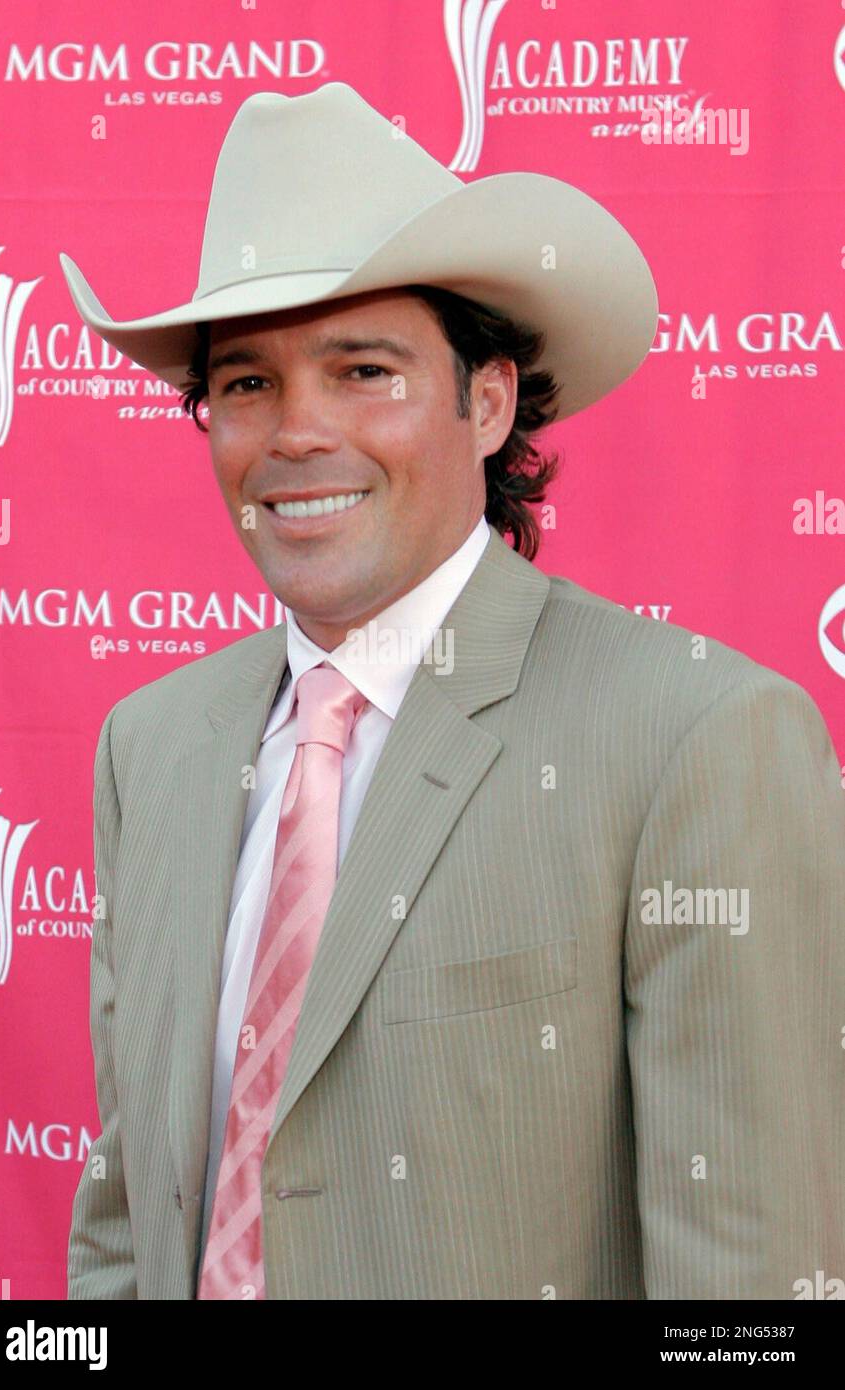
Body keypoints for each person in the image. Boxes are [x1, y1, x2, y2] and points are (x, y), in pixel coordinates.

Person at [61, 82, 845, 1300]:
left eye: (363, 369)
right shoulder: (149, 746)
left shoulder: (695, 738)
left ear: (488, 401)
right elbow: (123, 1222)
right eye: (249, 383)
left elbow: (745, 1295)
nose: (297, 432)